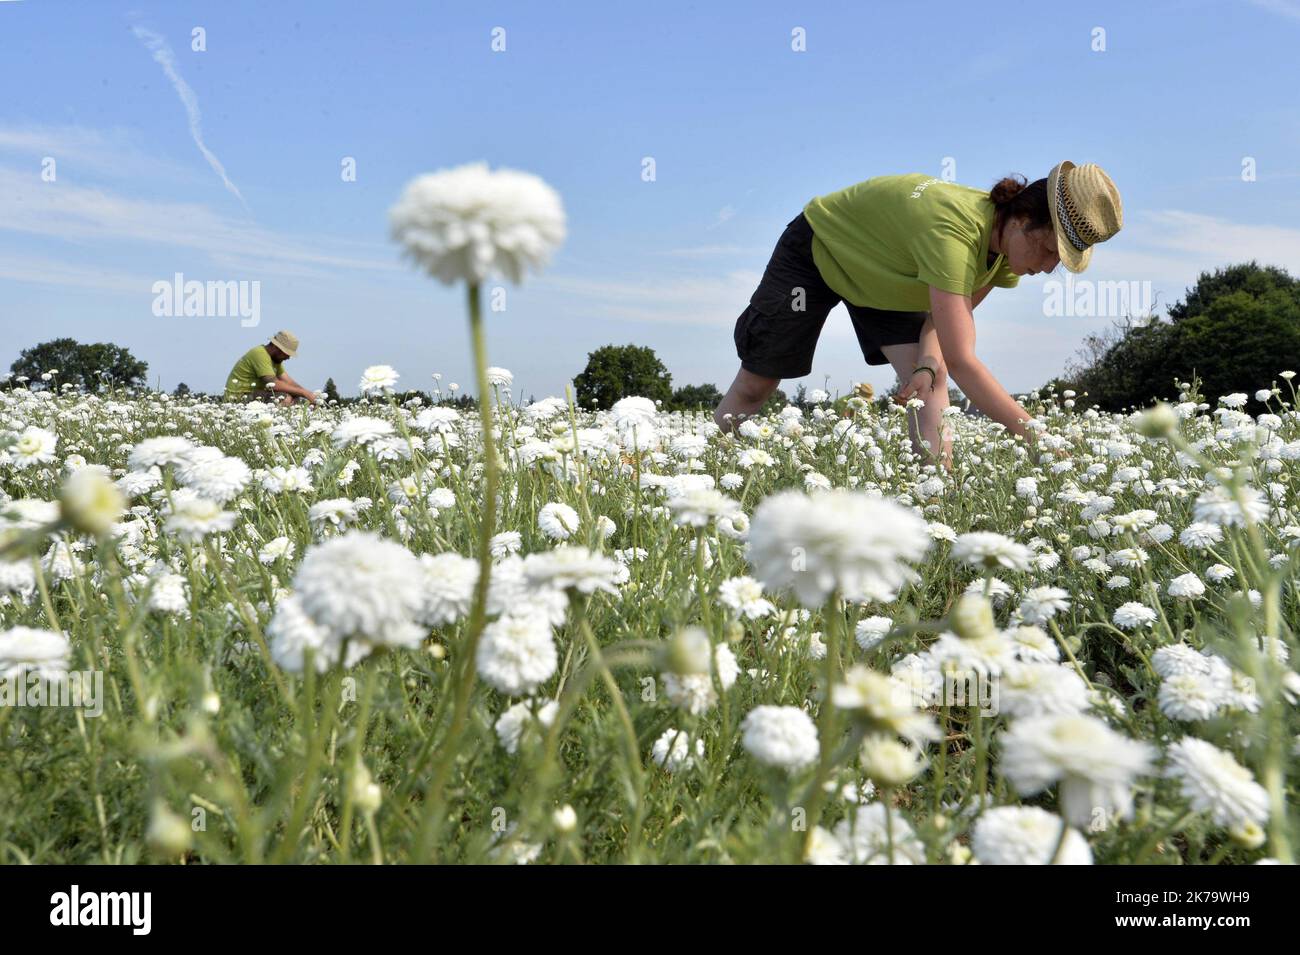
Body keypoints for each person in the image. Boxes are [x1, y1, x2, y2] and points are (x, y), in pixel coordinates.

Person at [714, 161, 1123, 462]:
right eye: (1050, 250)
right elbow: (964, 360)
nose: (1049, 267)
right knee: (757, 383)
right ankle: (705, 465)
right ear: (1022, 220)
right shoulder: (952, 235)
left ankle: (935, 496)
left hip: (890, 274)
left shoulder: (1002, 258)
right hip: (820, 251)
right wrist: (1041, 442)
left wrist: (927, 363)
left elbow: (942, 332)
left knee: (930, 379)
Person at [223, 330, 318, 405]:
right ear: (277, 348)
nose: (288, 357)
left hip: (253, 395)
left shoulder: (275, 360)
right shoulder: (259, 354)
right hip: (237, 399)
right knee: (285, 398)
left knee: (295, 396)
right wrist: (304, 393)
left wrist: (308, 394)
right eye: (287, 353)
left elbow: (289, 382)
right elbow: (274, 384)